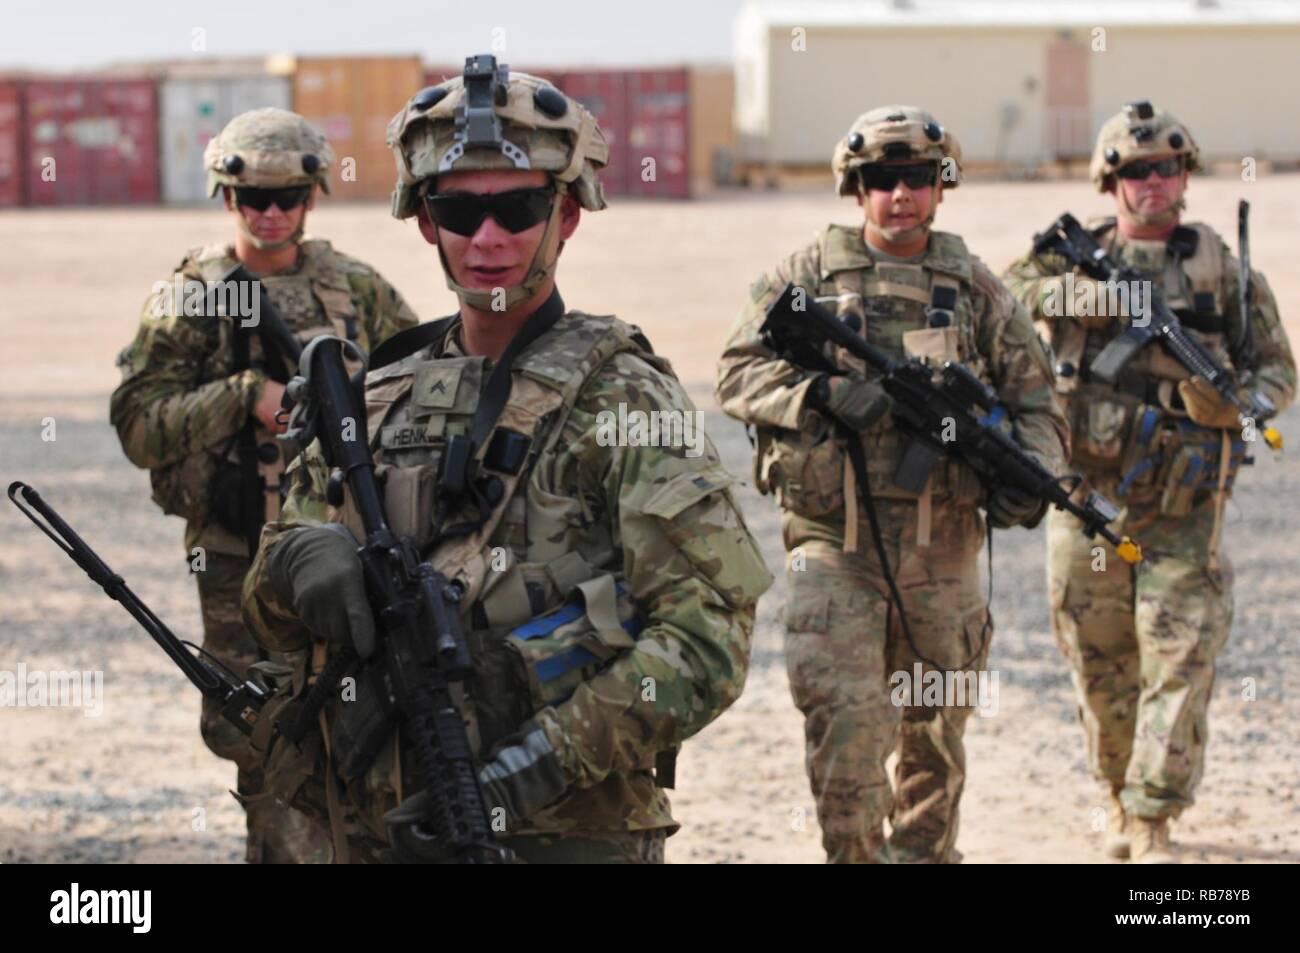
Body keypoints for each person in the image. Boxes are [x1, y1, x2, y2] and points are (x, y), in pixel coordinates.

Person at [240, 55, 772, 864]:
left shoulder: (626, 401)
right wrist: (292, 568)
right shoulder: (372, 399)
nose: (487, 239)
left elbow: (706, 637)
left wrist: (518, 774)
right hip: (373, 830)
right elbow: (268, 619)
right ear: (425, 220)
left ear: (567, 216)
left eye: (518, 208)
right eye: (459, 210)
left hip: (561, 832)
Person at [717, 105, 1068, 863]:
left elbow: (1038, 401)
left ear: (941, 187)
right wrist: (817, 396)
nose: (900, 195)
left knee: (934, 742)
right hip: (832, 545)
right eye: (882, 179)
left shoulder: (976, 288)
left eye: (916, 178)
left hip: (941, 552)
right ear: (856, 188)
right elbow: (736, 371)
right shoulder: (804, 275)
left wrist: (1030, 476)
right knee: (846, 728)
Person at [110, 107, 419, 863]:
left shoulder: (355, 290)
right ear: (228, 200)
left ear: (313, 196)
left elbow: (422, 388)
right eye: (256, 200)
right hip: (237, 554)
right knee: (260, 735)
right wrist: (245, 394)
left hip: (343, 548)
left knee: (363, 723)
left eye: (288, 197)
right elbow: (137, 421)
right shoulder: (193, 297)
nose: (272, 214)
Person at [1002, 101, 1295, 863]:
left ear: (1185, 176)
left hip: (1183, 502)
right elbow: (1006, 297)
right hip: (1088, 497)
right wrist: (1091, 299)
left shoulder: (1222, 269)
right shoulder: (1067, 260)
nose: (1153, 181)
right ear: (1110, 181)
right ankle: (1113, 793)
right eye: (1136, 170)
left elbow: (1276, 372)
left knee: (1181, 657)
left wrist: (1233, 403)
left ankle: (1152, 814)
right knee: (1099, 663)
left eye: (1167, 167)